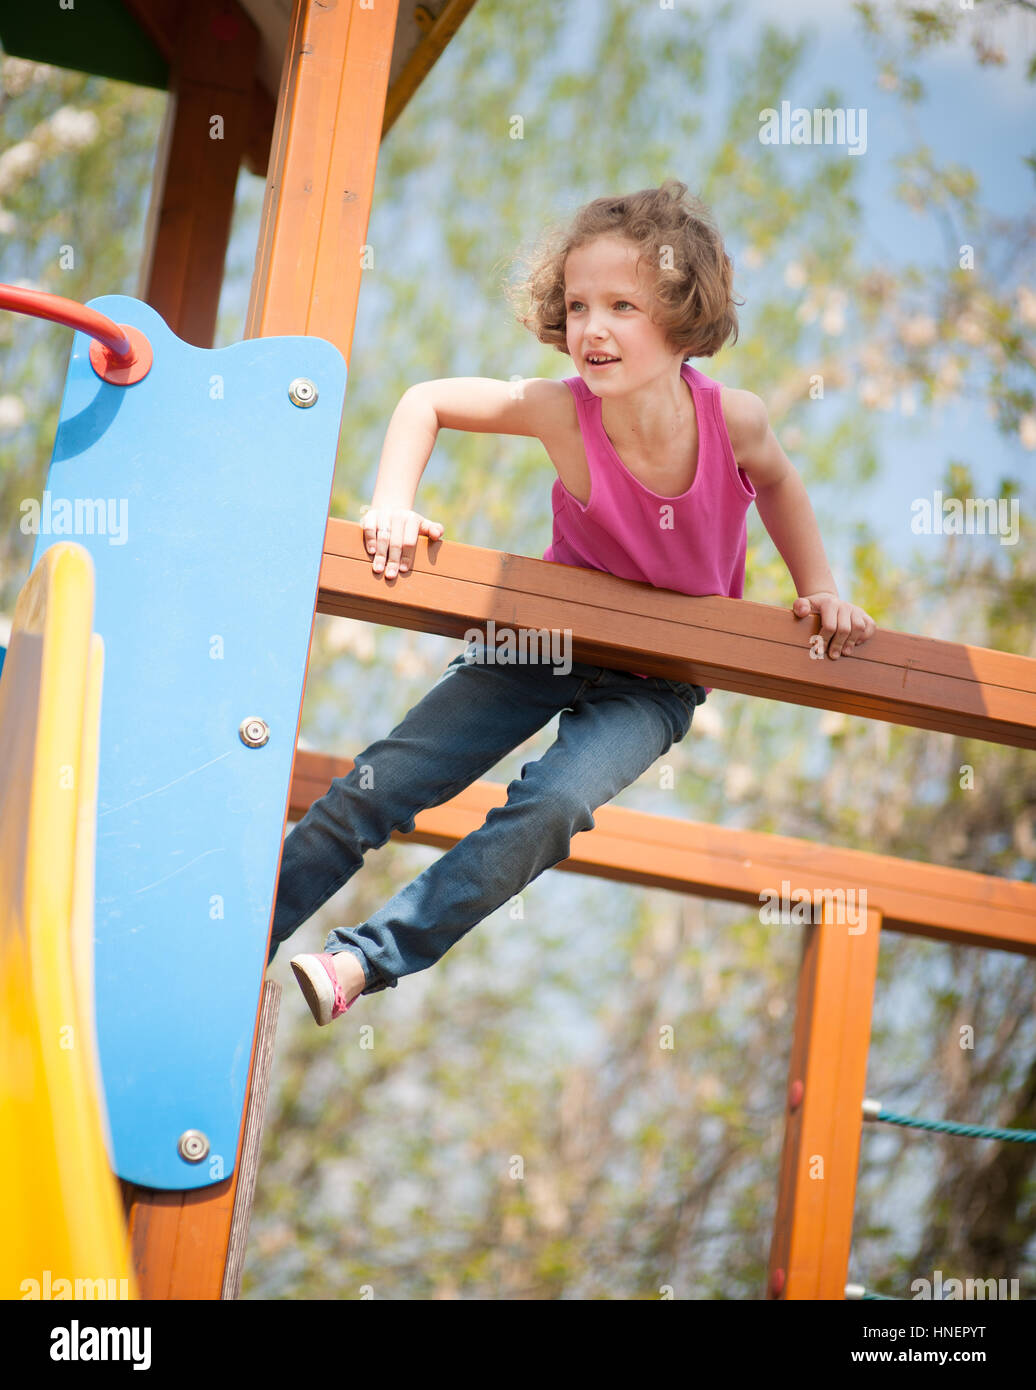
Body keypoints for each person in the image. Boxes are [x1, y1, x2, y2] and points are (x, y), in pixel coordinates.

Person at [270, 179, 876, 1026]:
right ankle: (240, 931)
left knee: (553, 808)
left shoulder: (733, 421)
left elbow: (777, 482)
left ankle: (364, 961)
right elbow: (428, 400)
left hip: (655, 684)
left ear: (682, 316)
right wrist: (392, 503)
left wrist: (821, 591)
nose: (594, 327)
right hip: (543, 643)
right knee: (382, 783)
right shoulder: (563, 412)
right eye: (580, 304)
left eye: (623, 305)